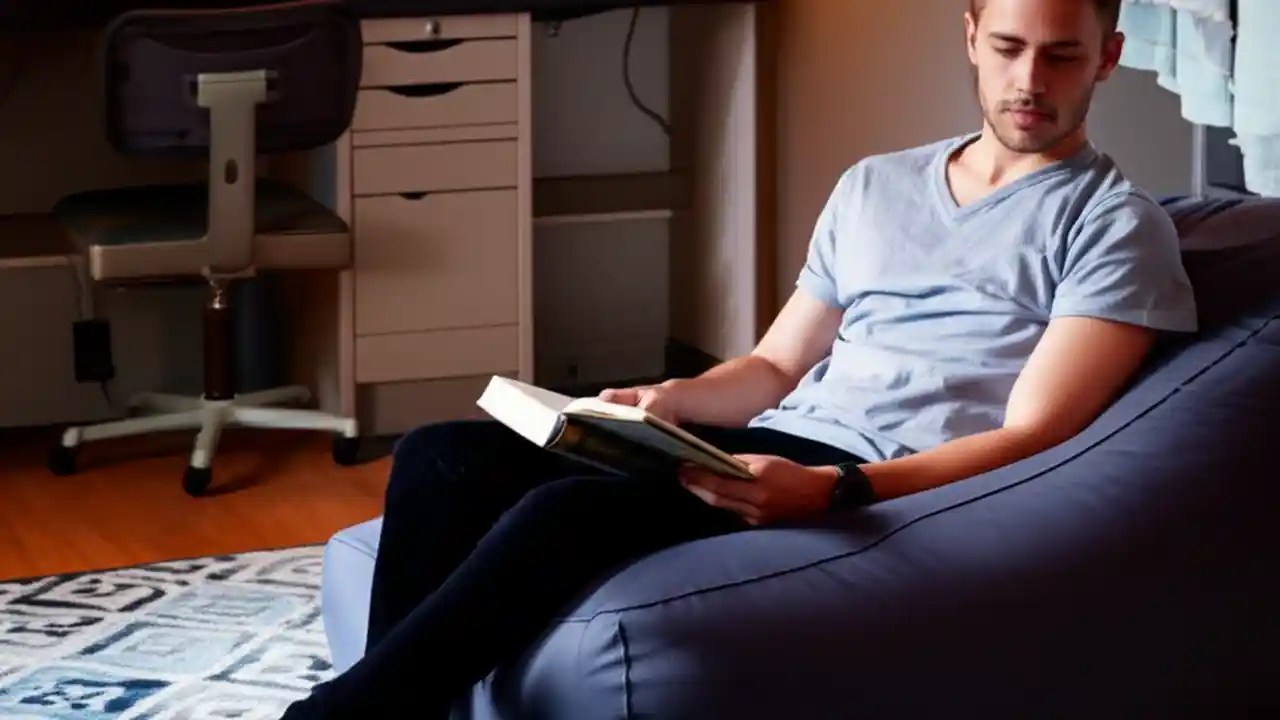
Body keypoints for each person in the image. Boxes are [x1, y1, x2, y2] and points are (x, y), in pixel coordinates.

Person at [282, 0, 1197, 716]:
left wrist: (840, 492)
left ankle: (346, 715)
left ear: (1108, 57)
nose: (1029, 78)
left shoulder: (1115, 225)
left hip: (868, 477)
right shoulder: (875, 185)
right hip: (772, 437)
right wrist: (671, 400)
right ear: (970, 39)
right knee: (439, 453)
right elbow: (770, 367)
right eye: (1007, 47)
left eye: (1062, 54)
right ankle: (399, 706)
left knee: (560, 517)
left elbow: (1040, 435)